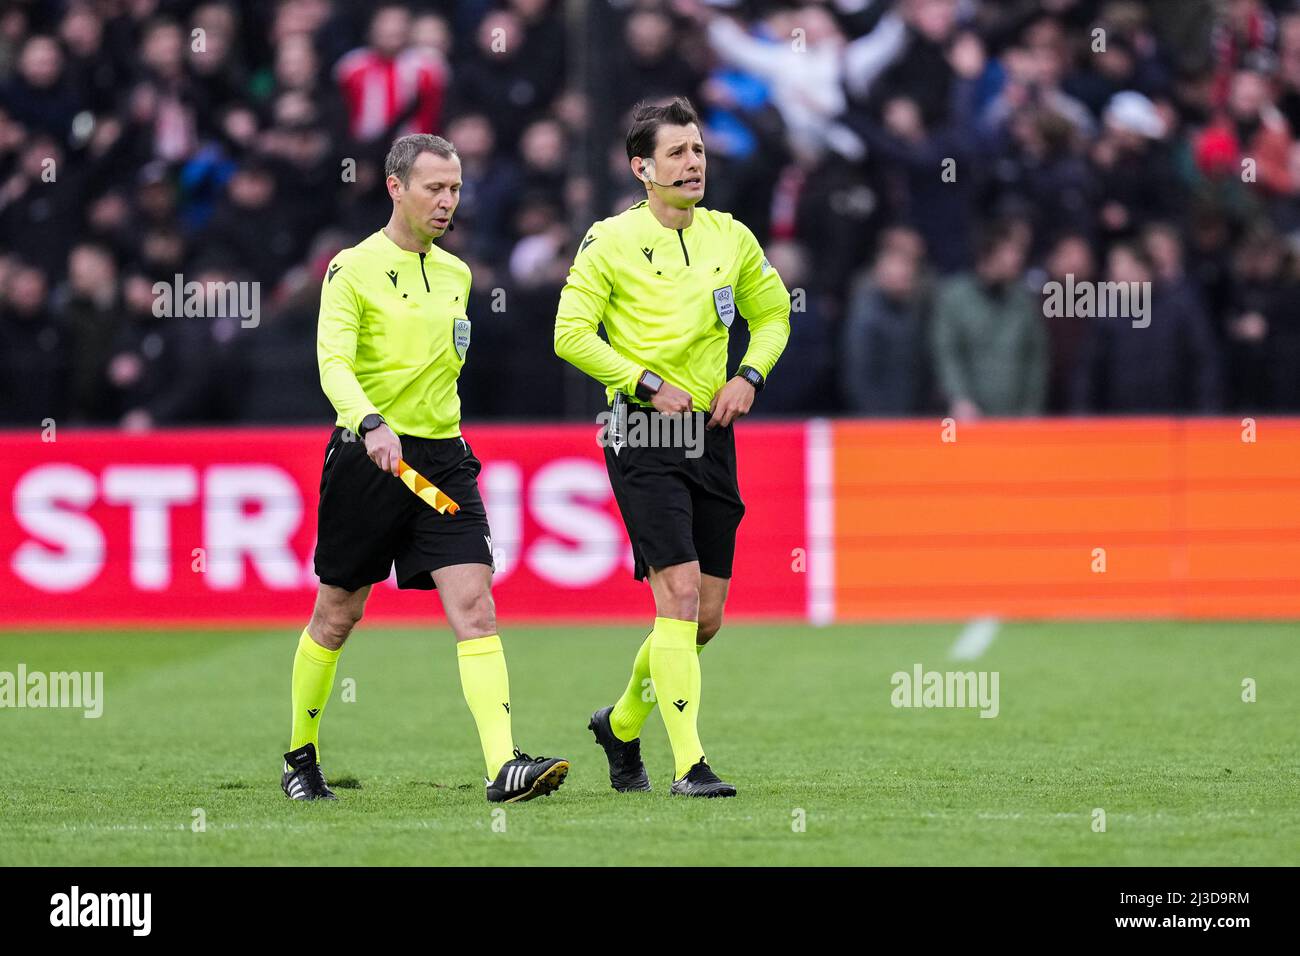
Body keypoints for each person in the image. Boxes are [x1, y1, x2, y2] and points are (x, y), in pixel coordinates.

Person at [283, 133, 568, 804]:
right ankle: (300, 754)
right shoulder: (351, 268)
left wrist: (436, 442)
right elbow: (333, 363)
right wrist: (371, 422)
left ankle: (503, 766)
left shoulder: (458, 275)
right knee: (337, 613)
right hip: (368, 457)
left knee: (476, 606)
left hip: (441, 461)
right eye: (434, 188)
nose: (447, 202)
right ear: (395, 187)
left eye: (456, 189)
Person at [554, 98, 791, 797]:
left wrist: (749, 374)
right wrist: (645, 381)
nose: (693, 163)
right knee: (680, 596)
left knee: (705, 618)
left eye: (698, 150)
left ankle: (621, 723)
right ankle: (691, 766)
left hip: (712, 435)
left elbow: (773, 314)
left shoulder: (731, 237)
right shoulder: (608, 240)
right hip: (641, 430)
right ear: (641, 168)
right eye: (678, 153)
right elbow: (570, 334)